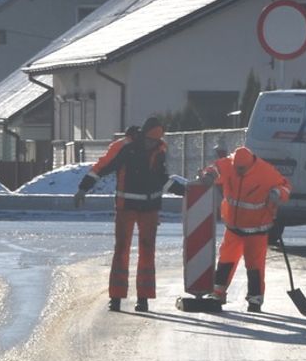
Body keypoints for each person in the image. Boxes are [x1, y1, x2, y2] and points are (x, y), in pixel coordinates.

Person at [76, 116, 181, 312]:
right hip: (126, 207)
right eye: (149, 140)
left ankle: (143, 299)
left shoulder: (160, 149)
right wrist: (84, 188)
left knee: (147, 251)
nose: (152, 143)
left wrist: (184, 190)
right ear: (143, 135)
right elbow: (102, 167)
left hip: (150, 208)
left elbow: (161, 179)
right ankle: (116, 297)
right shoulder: (124, 147)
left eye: (155, 141)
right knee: (121, 250)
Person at [198, 146, 291, 311]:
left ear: (250, 164)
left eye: (242, 169)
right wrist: (209, 175)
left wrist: (277, 193)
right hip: (234, 227)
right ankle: (217, 293)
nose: (239, 171)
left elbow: (285, 187)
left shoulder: (266, 172)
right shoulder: (228, 164)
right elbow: (215, 168)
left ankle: (255, 300)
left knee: (255, 266)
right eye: (237, 168)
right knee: (226, 261)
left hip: (257, 229)